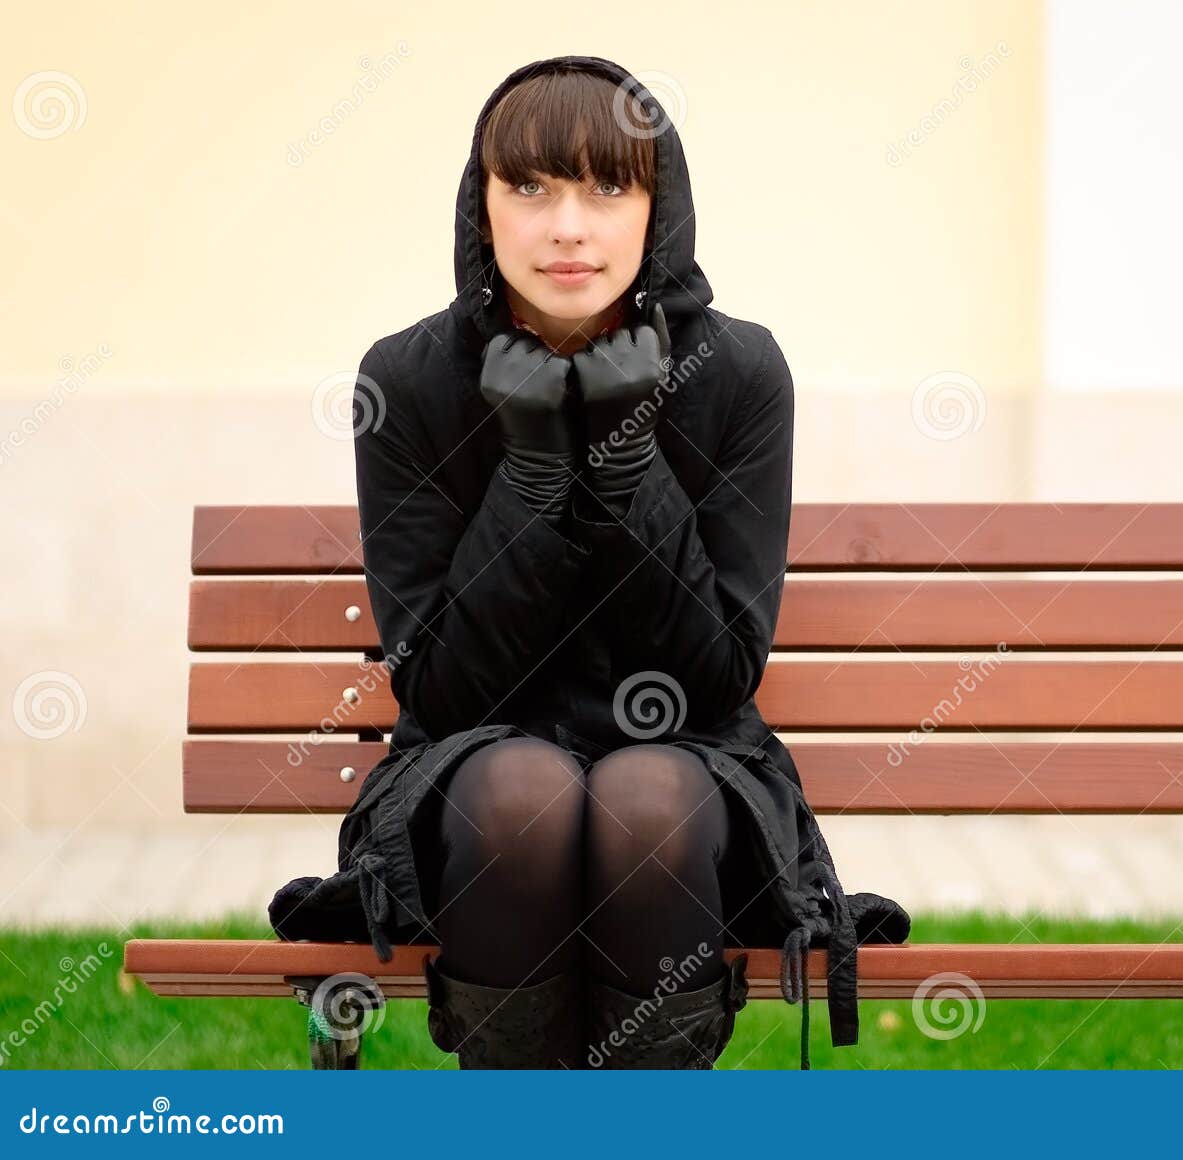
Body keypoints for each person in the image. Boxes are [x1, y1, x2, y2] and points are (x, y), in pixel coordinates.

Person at [268, 54, 910, 1070]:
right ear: (482, 207)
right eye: (529, 185)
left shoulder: (735, 373)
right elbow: (440, 686)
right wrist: (529, 472)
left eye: (609, 184)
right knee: (520, 787)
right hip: (469, 782)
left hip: (692, 782)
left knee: (644, 795)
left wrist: (624, 458)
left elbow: (716, 673)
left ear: (660, 207)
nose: (568, 224)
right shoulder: (410, 379)